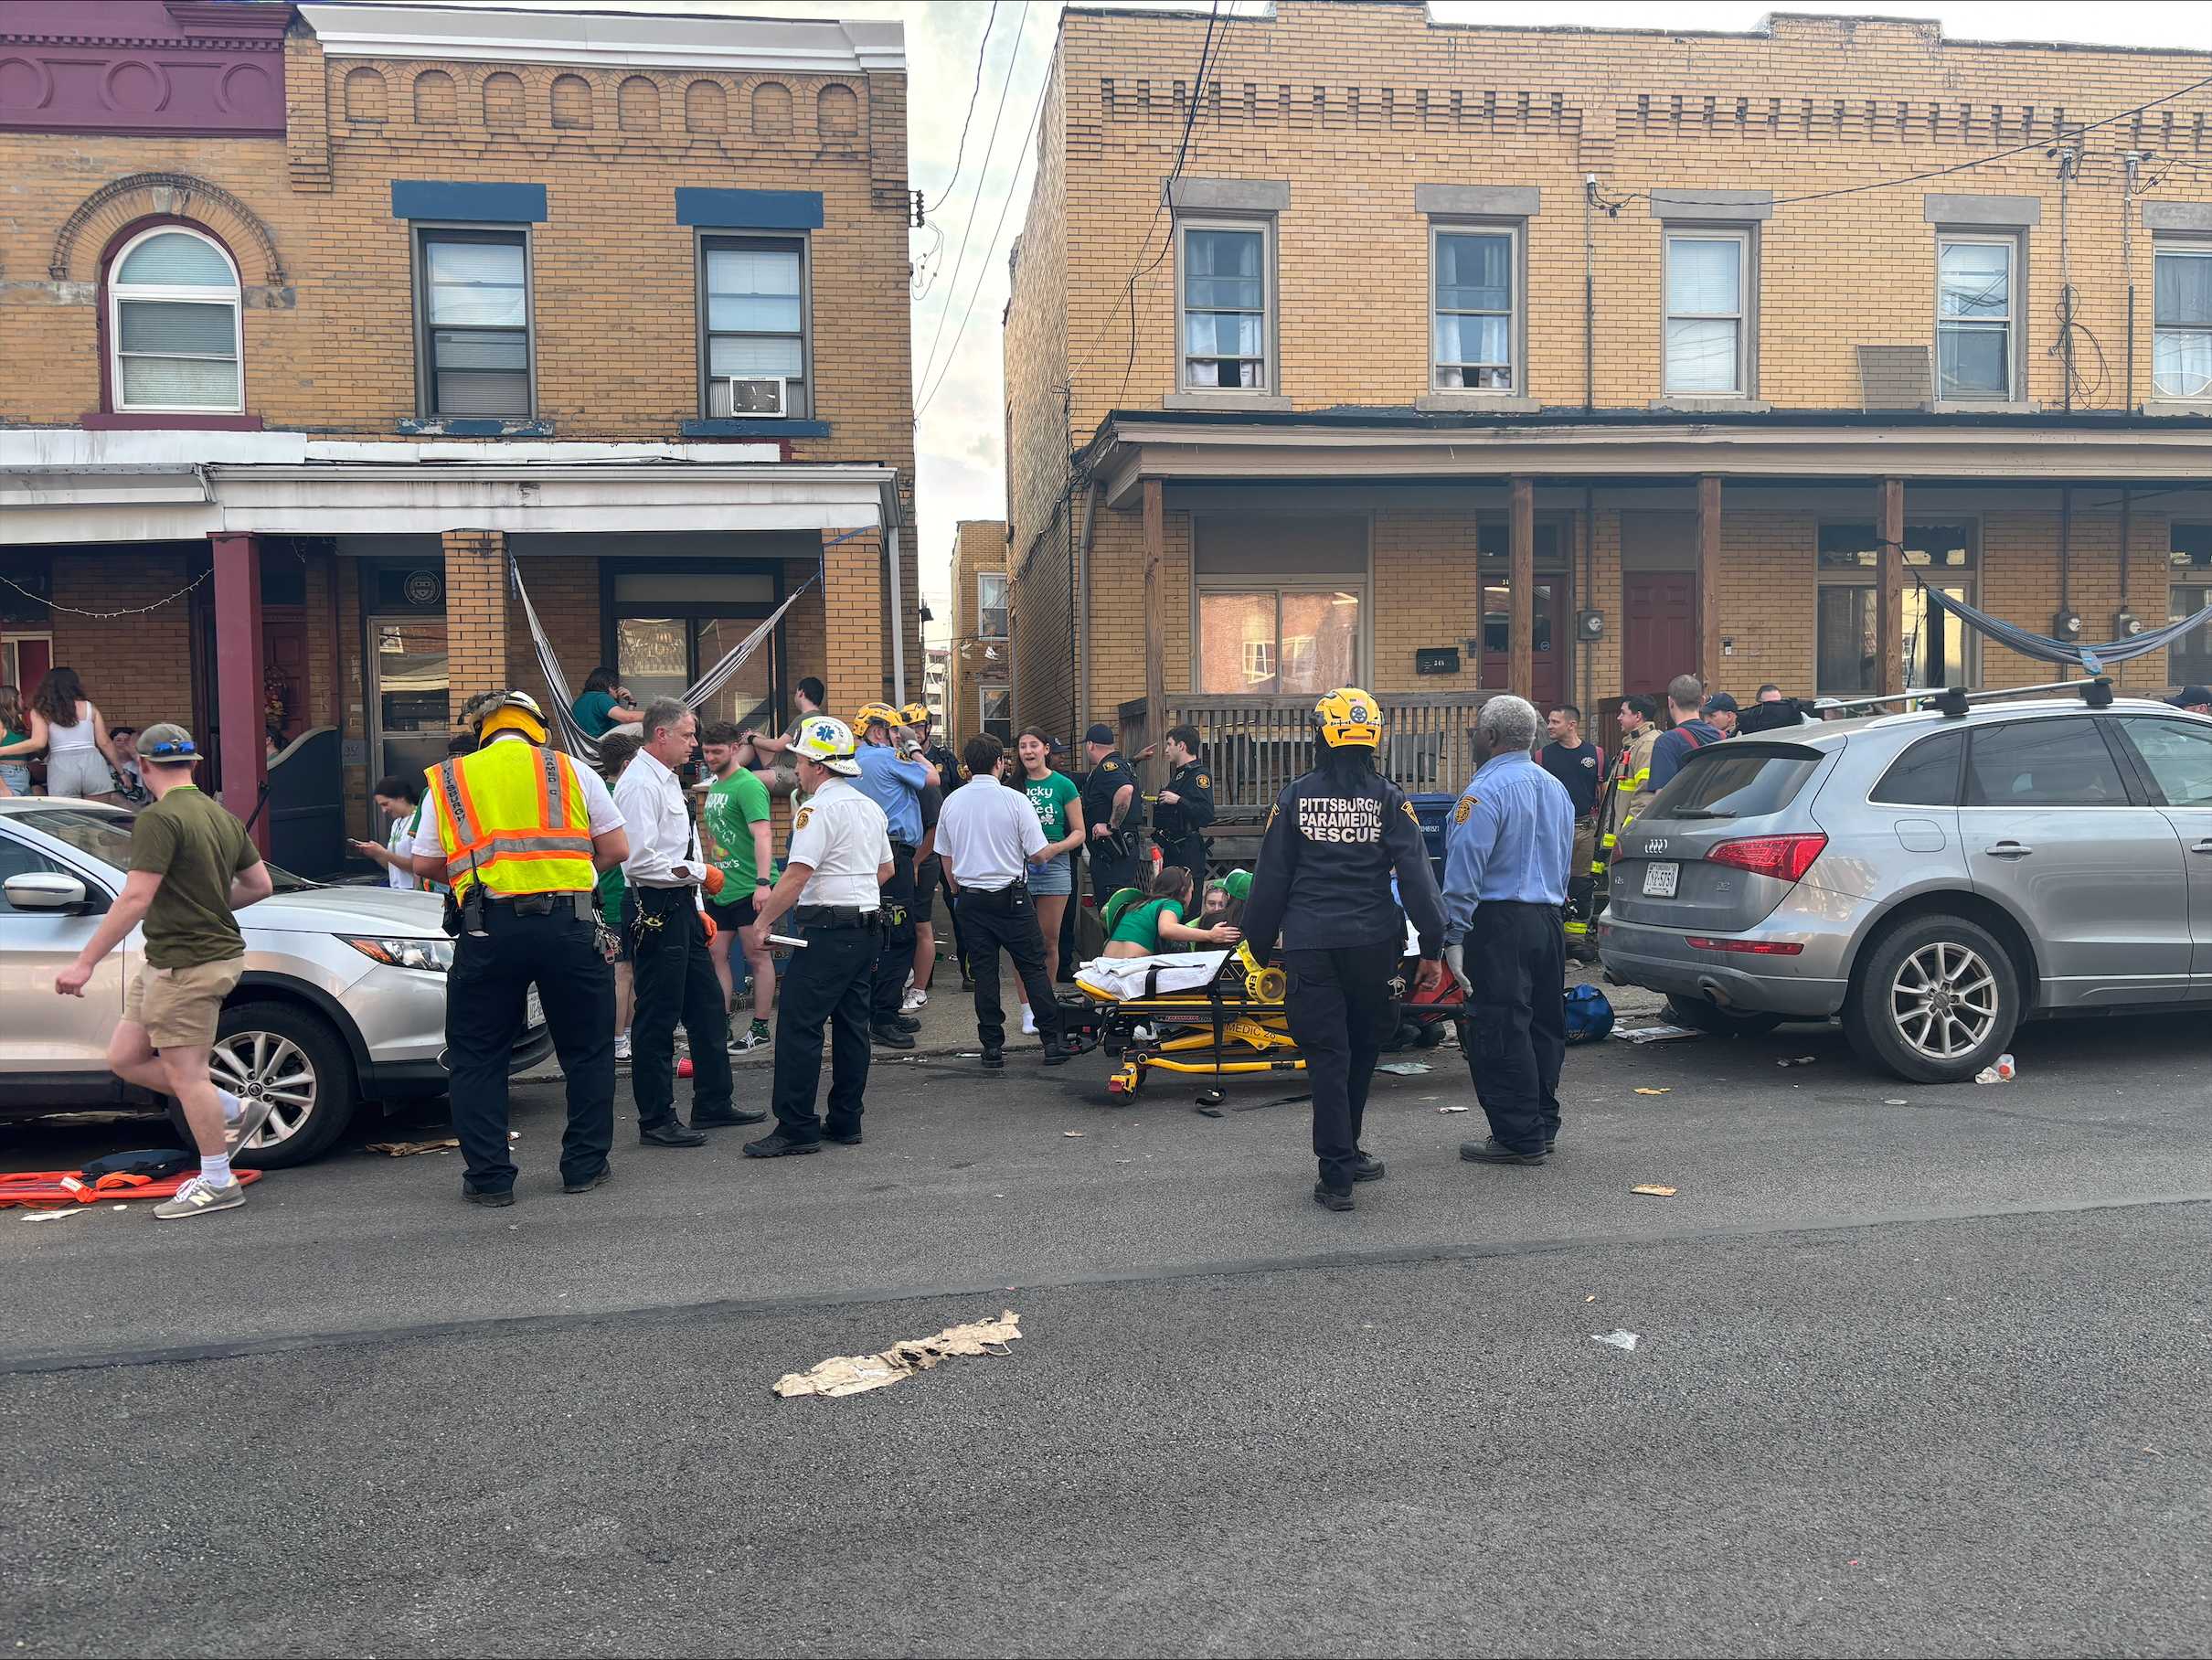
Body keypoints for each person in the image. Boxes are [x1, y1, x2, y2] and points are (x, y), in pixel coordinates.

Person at [410, 690, 629, 1204]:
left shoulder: (448, 779)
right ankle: (583, 1166)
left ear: (483, 730)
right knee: (587, 1050)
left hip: (487, 927)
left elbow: (423, 863)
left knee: (478, 1055)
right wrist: (568, 879)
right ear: (537, 726)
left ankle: (489, 1180)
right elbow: (617, 848)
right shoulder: (573, 771)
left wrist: (476, 881)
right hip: (570, 926)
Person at [53, 723, 275, 1220]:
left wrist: (85, 962)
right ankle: (234, 1108)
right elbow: (259, 885)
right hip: (173, 959)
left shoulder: (158, 819)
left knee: (185, 1073)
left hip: (187, 963)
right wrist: (209, 906)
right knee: (126, 1057)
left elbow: (135, 896)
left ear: (145, 766)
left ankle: (218, 1181)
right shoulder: (219, 815)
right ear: (193, 765)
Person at [1242, 688, 1446, 1213]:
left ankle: (1337, 1174)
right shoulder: (1390, 798)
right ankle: (1348, 1152)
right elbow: (1419, 879)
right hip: (1375, 943)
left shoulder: (1293, 797)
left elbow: (1271, 878)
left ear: (1319, 734)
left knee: (1327, 1056)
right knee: (1362, 1050)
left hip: (1312, 944)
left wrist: (1255, 948)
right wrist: (1433, 944)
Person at [739, 716, 893, 1157]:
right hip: (865, 927)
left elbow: (796, 875)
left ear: (819, 766)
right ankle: (846, 1120)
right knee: (851, 1027)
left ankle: (796, 1126)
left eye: (802, 761)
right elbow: (886, 870)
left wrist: (764, 922)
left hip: (828, 932)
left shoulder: (816, 810)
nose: (798, 769)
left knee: (800, 1026)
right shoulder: (869, 807)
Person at [1441, 693, 1575, 1169]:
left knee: (1500, 1024)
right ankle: (1541, 1122)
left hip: (1498, 922)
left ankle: (1518, 1135)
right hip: (1548, 918)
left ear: (1491, 737)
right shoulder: (1555, 788)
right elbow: (1563, 861)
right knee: (1543, 1022)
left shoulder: (1483, 793)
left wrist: (1453, 934)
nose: (1474, 737)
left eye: (1477, 730)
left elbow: (1464, 871)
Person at [611, 697, 748, 1145]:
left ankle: (713, 1102)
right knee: (658, 1017)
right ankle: (656, 1119)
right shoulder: (639, 785)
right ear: (661, 734)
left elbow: (684, 845)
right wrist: (699, 875)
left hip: (680, 908)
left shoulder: (667, 779)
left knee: (707, 1008)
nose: (696, 743)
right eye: (688, 735)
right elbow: (638, 861)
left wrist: (699, 908)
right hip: (654, 907)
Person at [934, 732, 1077, 1071]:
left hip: (971, 898)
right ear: (1000, 763)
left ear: (968, 767)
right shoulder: (1015, 801)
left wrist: (956, 890)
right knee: (1033, 967)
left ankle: (992, 1048)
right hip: (1011, 897)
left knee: (984, 974)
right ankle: (1052, 1042)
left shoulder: (952, 801)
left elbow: (945, 855)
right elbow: (1039, 853)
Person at [850, 702, 937, 1050]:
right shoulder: (887, 757)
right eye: (893, 731)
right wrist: (912, 746)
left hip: (869, 853)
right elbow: (930, 777)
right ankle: (883, 1016)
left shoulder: (855, 761)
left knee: (879, 932)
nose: (897, 738)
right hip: (893, 853)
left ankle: (878, 1009)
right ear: (876, 732)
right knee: (898, 936)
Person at [701, 721, 777, 1054]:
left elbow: (763, 833)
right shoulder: (716, 786)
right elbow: (715, 835)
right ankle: (722, 1023)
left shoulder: (747, 785)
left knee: (756, 955)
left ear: (734, 749)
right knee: (716, 954)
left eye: (717, 751)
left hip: (750, 886)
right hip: (721, 886)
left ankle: (760, 1028)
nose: (710, 757)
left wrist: (763, 884)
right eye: (706, 751)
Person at [1012, 728, 1084, 1033]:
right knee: (1023, 942)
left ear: (1045, 750)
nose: (1028, 751)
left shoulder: (1063, 785)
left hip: (1055, 866)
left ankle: (1045, 1002)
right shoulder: (1012, 787)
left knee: (1048, 940)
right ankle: (1027, 1009)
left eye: (1034, 745)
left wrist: (1053, 849)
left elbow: (1079, 831)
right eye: (1022, 746)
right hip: (1019, 868)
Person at [904, 701, 962, 1006]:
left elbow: (959, 793)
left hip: (946, 840)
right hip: (924, 841)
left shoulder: (942, 758)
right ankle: (925, 978)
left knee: (957, 905)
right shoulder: (903, 761)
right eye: (910, 727)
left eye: (920, 726)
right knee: (917, 917)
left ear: (928, 728)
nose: (916, 732)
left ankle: (969, 971)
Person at [2, 666, 125, 803]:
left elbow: (38, 743)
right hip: (93, 763)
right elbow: (105, 742)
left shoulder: (41, 710)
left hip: (61, 767)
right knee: (98, 816)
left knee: (67, 819)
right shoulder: (90, 707)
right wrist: (122, 772)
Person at [595, 732, 643, 1065]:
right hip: (619, 899)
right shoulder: (624, 799)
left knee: (626, 972)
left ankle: (623, 1038)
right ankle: (619, 1040)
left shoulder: (595, 798)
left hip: (609, 898)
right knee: (624, 973)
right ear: (628, 764)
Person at [1540, 705, 1604, 937]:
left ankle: (1576, 938)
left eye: (1555, 722)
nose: (1549, 726)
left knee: (1581, 882)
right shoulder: (1543, 756)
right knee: (1552, 880)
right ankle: (1553, 933)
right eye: (1549, 721)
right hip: (1553, 830)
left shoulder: (1595, 754)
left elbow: (1602, 792)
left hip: (1585, 829)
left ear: (1572, 725)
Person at [1101, 865, 1239, 959]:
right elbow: (1167, 929)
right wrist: (1210, 935)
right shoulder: (1172, 903)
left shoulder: (1140, 904)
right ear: (1183, 891)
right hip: (1130, 965)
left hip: (1107, 959)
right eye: (1191, 891)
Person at [1079, 723, 1143, 910]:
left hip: (1112, 854)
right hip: (1119, 851)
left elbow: (1125, 790)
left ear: (1090, 745)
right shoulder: (1122, 765)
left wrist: (1110, 826)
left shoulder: (1107, 768)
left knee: (1112, 912)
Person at [1151, 724, 1216, 895]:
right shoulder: (1180, 774)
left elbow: (1206, 814)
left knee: (1188, 900)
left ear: (1181, 746)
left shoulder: (1199, 775)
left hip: (1188, 848)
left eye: (1169, 744)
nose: (1166, 750)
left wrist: (1179, 800)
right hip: (1173, 846)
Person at [1643, 674, 1723, 797]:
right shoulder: (1724, 737)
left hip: (1684, 815)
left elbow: (1662, 798)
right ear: (1702, 701)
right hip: (1724, 814)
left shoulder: (1667, 742)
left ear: (1670, 702)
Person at [351, 775, 428, 889]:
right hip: (397, 888)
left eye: (385, 804)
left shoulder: (419, 820)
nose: (384, 810)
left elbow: (419, 867)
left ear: (401, 797)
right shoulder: (397, 823)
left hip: (414, 890)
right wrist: (376, 854)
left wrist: (383, 853)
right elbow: (393, 867)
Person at [571, 666, 645, 741]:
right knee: (639, 727)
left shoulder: (583, 699)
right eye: (617, 685)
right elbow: (627, 718)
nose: (619, 688)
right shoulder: (601, 698)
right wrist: (654, 715)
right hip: (596, 745)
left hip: (586, 744)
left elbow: (624, 723)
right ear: (610, 686)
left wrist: (631, 702)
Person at [107, 726, 153, 808]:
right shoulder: (106, 766)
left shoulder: (142, 763)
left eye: (127, 740)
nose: (123, 743)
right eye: (118, 740)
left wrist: (134, 753)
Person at [0, 684, 28, 797]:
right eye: (21, 697)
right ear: (13, 700)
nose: (23, 701)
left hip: (23, 776)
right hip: (8, 777)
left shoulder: (17, 726)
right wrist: (3, 789)